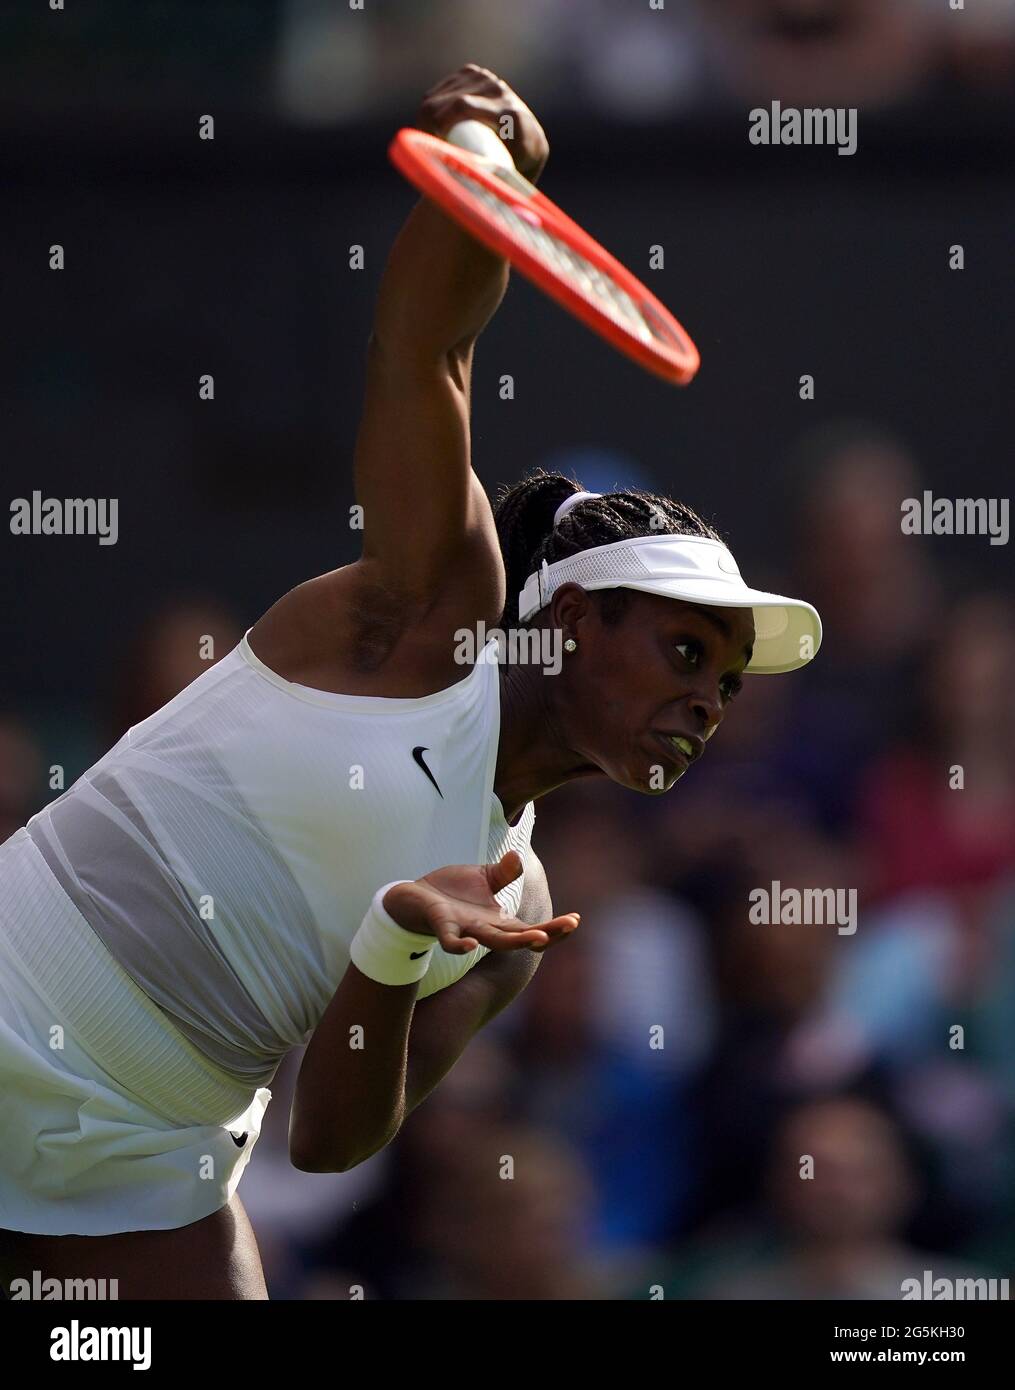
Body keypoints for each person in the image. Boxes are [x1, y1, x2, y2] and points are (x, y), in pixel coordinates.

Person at [0, 63, 820, 1299]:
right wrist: (473, 178)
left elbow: (332, 1142)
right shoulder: (429, 619)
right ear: (580, 619)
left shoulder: (515, 917)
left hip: (145, 1160)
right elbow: (426, 350)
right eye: (689, 651)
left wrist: (389, 948)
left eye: (729, 685)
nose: (710, 701)